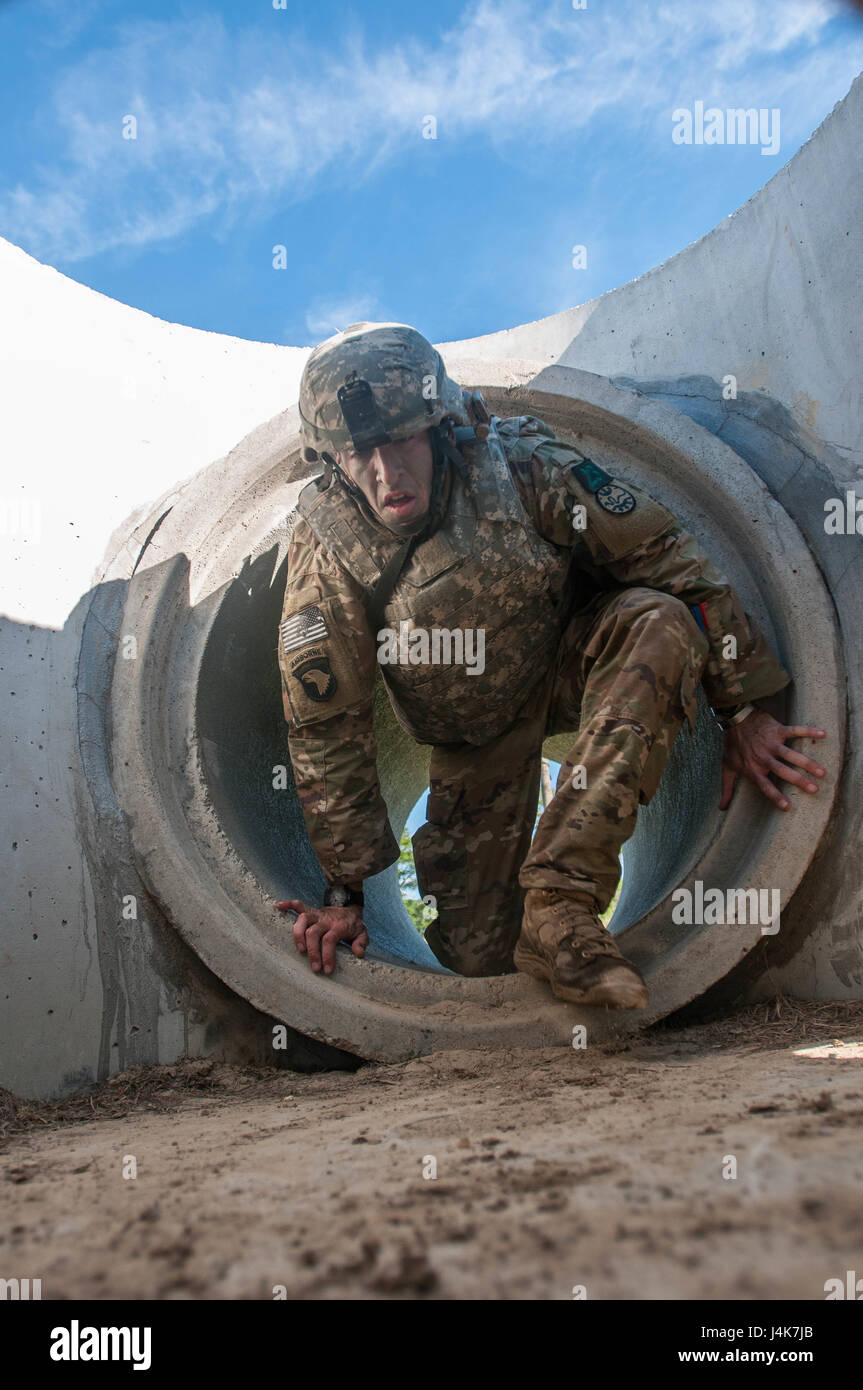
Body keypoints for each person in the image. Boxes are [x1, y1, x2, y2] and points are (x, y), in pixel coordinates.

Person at [275, 322, 826, 1008]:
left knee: (656, 616)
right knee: (480, 958)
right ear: (331, 460)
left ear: (441, 425)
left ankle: (564, 901)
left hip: (575, 663)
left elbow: (669, 560)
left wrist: (743, 708)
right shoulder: (329, 545)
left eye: (401, 439)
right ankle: (531, 927)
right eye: (360, 453)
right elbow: (326, 721)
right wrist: (345, 891)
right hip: (471, 736)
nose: (386, 473)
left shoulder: (521, 465)